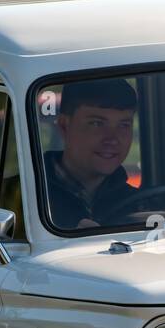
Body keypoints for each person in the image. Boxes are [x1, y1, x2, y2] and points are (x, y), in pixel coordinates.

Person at [44, 78, 140, 229]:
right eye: (97, 123)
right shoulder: (17, 196)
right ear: (64, 126)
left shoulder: (141, 203)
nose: (112, 139)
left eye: (124, 125)